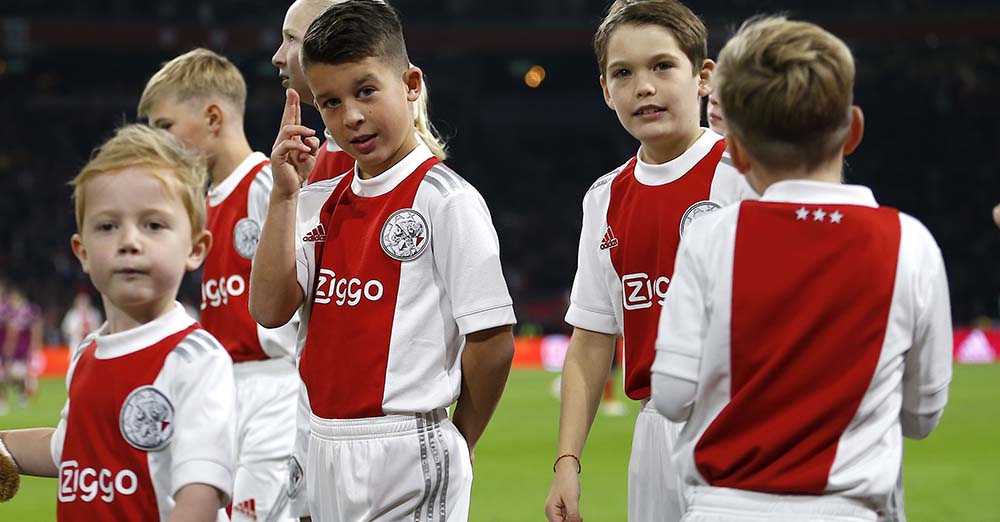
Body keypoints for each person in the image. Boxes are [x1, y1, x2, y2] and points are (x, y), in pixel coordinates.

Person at [652, 16, 952, 522]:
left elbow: (673, 396)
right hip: (851, 510)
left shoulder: (710, 239)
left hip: (724, 508)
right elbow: (922, 419)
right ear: (852, 130)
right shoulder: (910, 244)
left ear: (738, 153)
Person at [250, 1, 516, 519]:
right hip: (322, 441)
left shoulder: (447, 200)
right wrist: (283, 197)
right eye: (329, 102)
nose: (351, 115)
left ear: (411, 84)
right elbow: (268, 309)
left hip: (406, 446)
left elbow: (491, 341)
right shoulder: (318, 198)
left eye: (366, 91)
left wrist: (459, 438)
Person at [545, 1, 754, 521]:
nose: (644, 86)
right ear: (605, 90)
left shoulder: (747, 175)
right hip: (655, 431)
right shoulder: (604, 198)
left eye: (662, 66)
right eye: (624, 72)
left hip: (746, 421)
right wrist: (567, 461)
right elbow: (593, 341)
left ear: (703, 77)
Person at [0, 124, 237, 520]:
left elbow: (200, 497)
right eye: (108, 226)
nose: (130, 241)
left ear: (196, 248)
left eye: (153, 225)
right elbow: (67, 448)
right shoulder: (89, 352)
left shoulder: (196, 359)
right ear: (83, 252)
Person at [138, 48, 299, 522]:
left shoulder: (270, 183)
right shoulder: (204, 202)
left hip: (276, 385)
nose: (158, 144)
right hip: (225, 384)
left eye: (165, 127)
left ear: (212, 117)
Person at [271, 0, 446, 186]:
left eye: (291, 38)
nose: (277, 58)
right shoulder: (322, 155)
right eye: (332, 102)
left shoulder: (375, 157)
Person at [2, 287, 42, 409]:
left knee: (18, 374)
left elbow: (35, 328)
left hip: (21, 348)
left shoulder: (30, 310)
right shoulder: (7, 309)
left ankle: (23, 394)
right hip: (8, 347)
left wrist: (35, 345)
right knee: (5, 374)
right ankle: (4, 400)